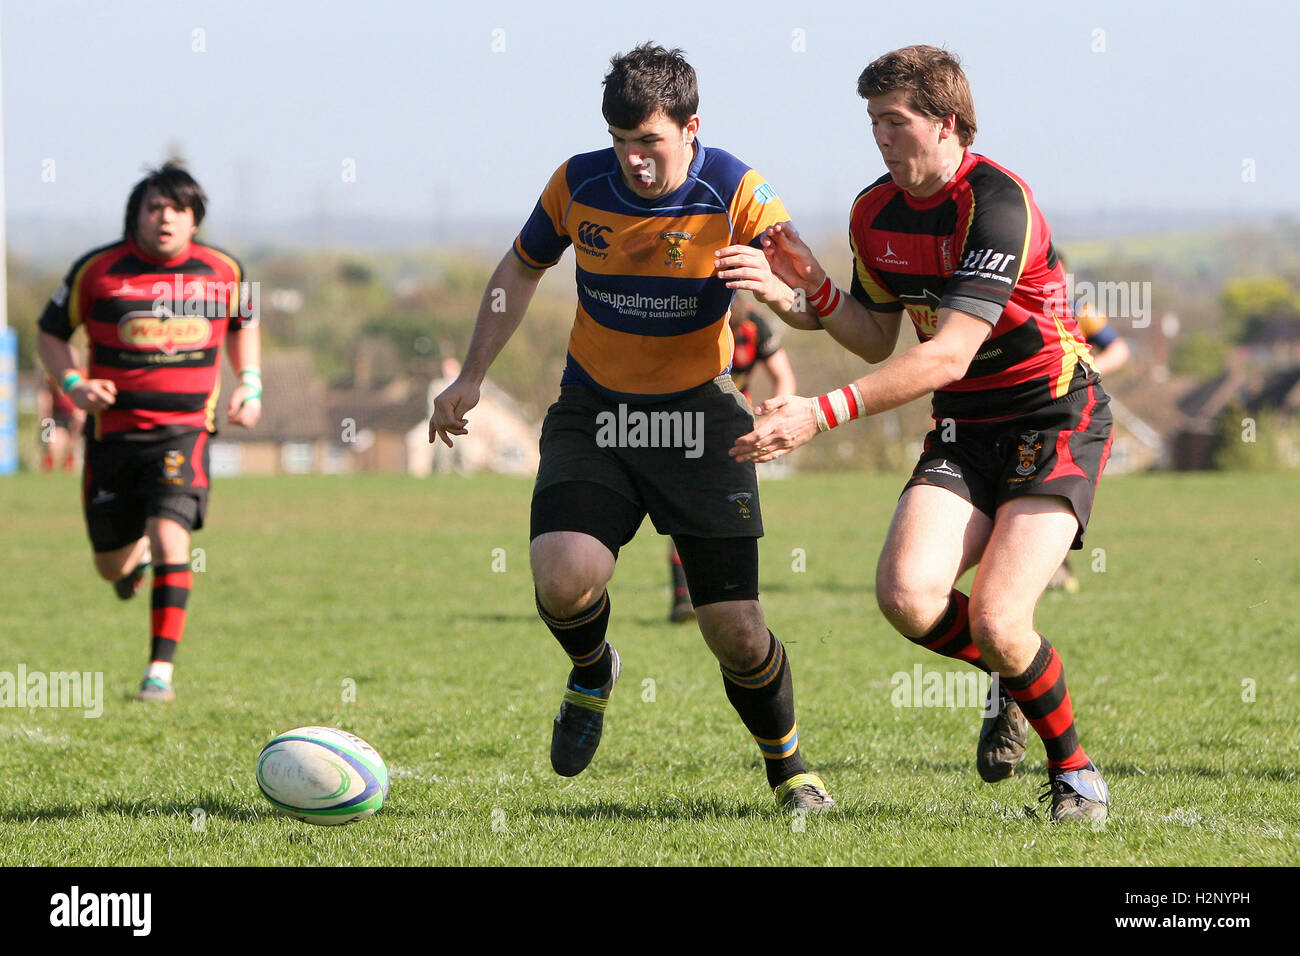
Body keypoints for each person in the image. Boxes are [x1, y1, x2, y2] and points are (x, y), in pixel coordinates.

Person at [430, 43, 834, 812]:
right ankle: (592, 670)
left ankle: (789, 768)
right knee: (562, 575)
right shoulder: (579, 182)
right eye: (622, 144)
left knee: (737, 633)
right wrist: (471, 375)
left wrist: (779, 297)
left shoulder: (738, 191)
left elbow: (819, 300)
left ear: (691, 127)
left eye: (649, 143)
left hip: (700, 419)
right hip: (596, 410)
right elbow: (519, 269)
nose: (635, 162)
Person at [729, 46, 1113, 821]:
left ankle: (1075, 772)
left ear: (946, 123)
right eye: (871, 121)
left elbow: (946, 353)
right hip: (966, 427)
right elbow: (874, 335)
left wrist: (818, 411)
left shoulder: (997, 202)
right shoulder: (874, 212)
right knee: (906, 597)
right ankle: (1012, 675)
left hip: (1053, 416)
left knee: (1003, 621)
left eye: (894, 120)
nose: (879, 136)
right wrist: (795, 294)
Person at [36, 162, 261, 703]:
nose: (165, 218)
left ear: (195, 220)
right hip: (112, 437)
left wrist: (250, 383)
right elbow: (49, 333)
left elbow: (245, 324)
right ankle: (128, 561)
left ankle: (159, 671)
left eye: (178, 210)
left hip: (183, 432)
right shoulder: (96, 270)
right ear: (135, 215)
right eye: (154, 207)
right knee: (109, 563)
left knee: (169, 535)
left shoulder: (227, 270)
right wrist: (74, 384)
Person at [668, 297, 796, 623]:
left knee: (738, 507)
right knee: (685, 507)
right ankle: (684, 597)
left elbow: (784, 377)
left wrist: (771, 420)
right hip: (687, 423)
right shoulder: (692, 322)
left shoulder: (756, 326)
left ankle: (735, 593)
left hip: (735, 426)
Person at [38, 364, 86, 472]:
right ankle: (48, 456)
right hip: (56, 417)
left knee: (79, 419)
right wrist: (45, 415)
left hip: (73, 417)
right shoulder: (51, 378)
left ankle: (70, 455)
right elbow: (47, 399)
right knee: (47, 425)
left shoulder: (80, 375)